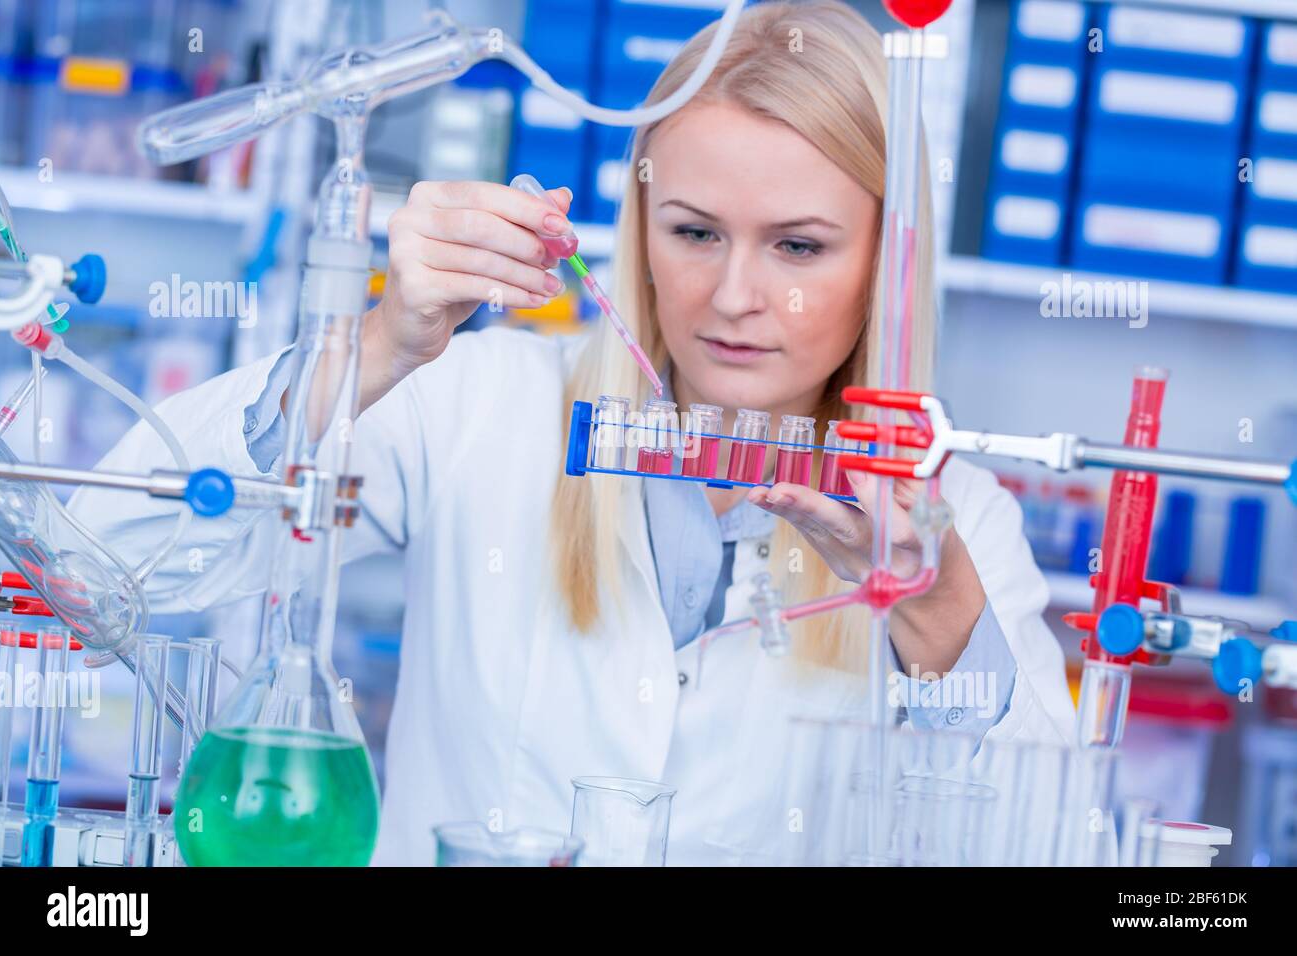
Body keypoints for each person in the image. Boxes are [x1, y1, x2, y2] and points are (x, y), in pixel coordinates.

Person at [71, 0, 1074, 865]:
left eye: (798, 246)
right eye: (693, 231)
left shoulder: (957, 523)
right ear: (640, 230)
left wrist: (938, 614)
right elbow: (100, 566)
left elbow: (1056, 846)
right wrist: (376, 342)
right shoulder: (475, 400)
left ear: (886, 267)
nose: (732, 296)